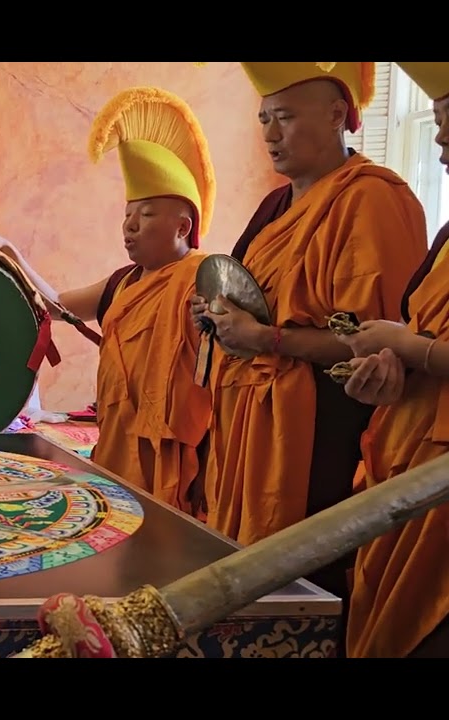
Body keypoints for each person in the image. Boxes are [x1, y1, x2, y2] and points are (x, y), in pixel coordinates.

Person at [188, 62, 427, 613]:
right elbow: (245, 294)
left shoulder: (373, 200)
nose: (270, 134)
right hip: (247, 418)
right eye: (264, 118)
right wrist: (215, 312)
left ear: (338, 115)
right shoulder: (274, 206)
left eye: (286, 117)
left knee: (307, 581)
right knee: (239, 564)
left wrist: (268, 339)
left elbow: (377, 344)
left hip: (325, 427)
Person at [0, 86, 215, 516]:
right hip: (118, 444)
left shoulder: (205, 278)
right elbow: (56, 305)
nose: (130, 227)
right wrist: (11, 254)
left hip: (179, 452)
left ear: (182, 226)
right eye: (127, 216)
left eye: (145, 215)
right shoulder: (124, 281)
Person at [334, 62, 449, 659]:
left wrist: (411, 347)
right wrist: (391, 360)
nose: (439, 139)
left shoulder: (374, 196)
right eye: (437, 122)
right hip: (402, 445)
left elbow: (418, 339)